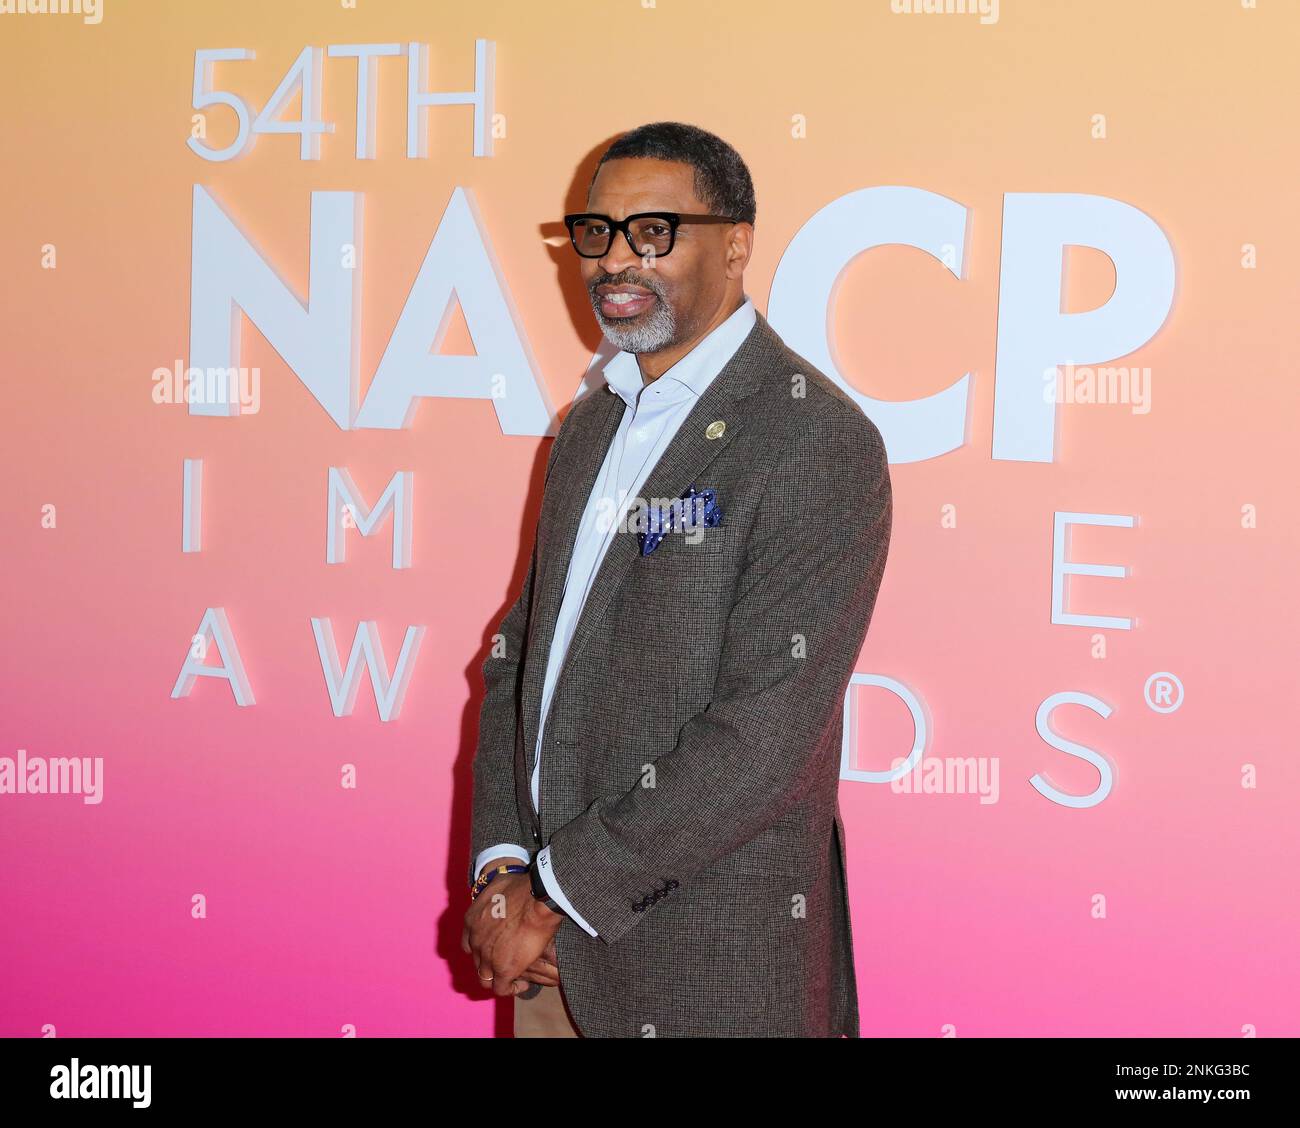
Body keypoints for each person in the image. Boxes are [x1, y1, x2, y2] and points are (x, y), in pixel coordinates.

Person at [461, 121, 892, 1037]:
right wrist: (503, 872)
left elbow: (762, 736)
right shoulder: (588, 428)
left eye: (654, 231)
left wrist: (553, 892)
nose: (616, 260)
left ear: (736, 245)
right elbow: (518, 660)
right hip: (548, 965)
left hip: (704, 966)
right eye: (597, 233)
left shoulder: (811, 436)